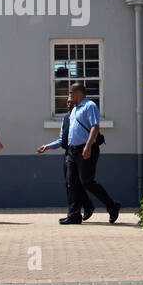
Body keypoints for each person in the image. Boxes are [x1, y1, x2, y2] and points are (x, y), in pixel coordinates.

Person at [55, 82, 121, 225]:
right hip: (72, 151)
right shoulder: (74, 110)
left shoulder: (89, 106)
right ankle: (74, 215)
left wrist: (88, 146)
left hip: (86, 149)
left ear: (79, 93)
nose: (69, 96)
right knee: (71, 183)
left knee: (87, 181)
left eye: (71, 93)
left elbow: (95, 127)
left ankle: (112, 205)